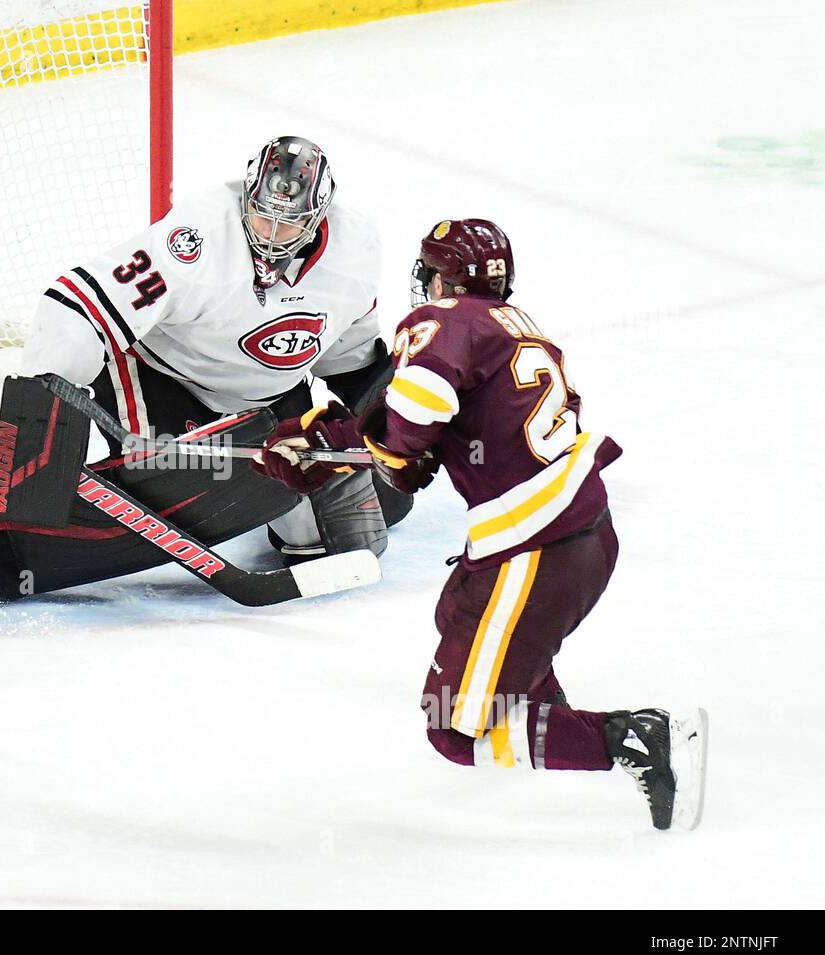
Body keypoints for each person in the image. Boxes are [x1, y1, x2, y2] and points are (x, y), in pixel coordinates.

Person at [255, 218, 708, 831]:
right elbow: (430, 425)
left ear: (441, 278)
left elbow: (416, 416)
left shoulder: (443, 321)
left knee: (454, 733)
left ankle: (637, 739)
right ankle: (542, 714)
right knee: (456, 615)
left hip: (537, 550)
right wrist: (328, 442)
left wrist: (390, 449)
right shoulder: (509, 329)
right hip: (570, 538)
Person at [19, 135, 412, 567]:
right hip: (164, 379)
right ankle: (115, 488)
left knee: (368, 514)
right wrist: (39, 422)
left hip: (269, 400)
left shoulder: (355, 249)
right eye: (263, 217)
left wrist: (393, 427)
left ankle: (262, 496)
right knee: (169, 497)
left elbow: (348, 352)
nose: (273, 234)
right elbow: (77, 307)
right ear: (247, 197)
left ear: (320, 215)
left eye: (291, 223)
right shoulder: (196, 237)